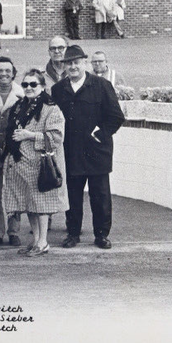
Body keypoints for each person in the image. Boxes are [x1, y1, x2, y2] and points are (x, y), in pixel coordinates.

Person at [52, 45, 126, 250]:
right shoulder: (58, 89)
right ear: (64, 66)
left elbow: (116, 117)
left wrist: (99, 134)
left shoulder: (101, 85)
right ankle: (73, 233)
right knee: (73, 196)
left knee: (100, 196)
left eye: (76, 62)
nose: (73, 66)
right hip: (70, 152)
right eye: (69, 63)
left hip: (97, 152)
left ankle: (101, 235)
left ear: (84, 63)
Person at [3, 69, 69, 256]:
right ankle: (35, 241)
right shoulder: (19, 106)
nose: (29, 88)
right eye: (25, 84)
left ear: (42, 87)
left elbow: (56, 137)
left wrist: (29, 135)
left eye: (33, 84)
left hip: (38, 165)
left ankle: (43, 242)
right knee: (29, 205)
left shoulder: (51, 108)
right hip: (20, 164)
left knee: (40, 206)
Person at [0, 57, 23, 247]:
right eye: (0, 70)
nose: (4, 74)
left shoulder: (21, 94)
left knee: (14, 192)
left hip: (14, 152)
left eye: (7, 70)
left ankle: (14, 231)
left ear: (13, 73)